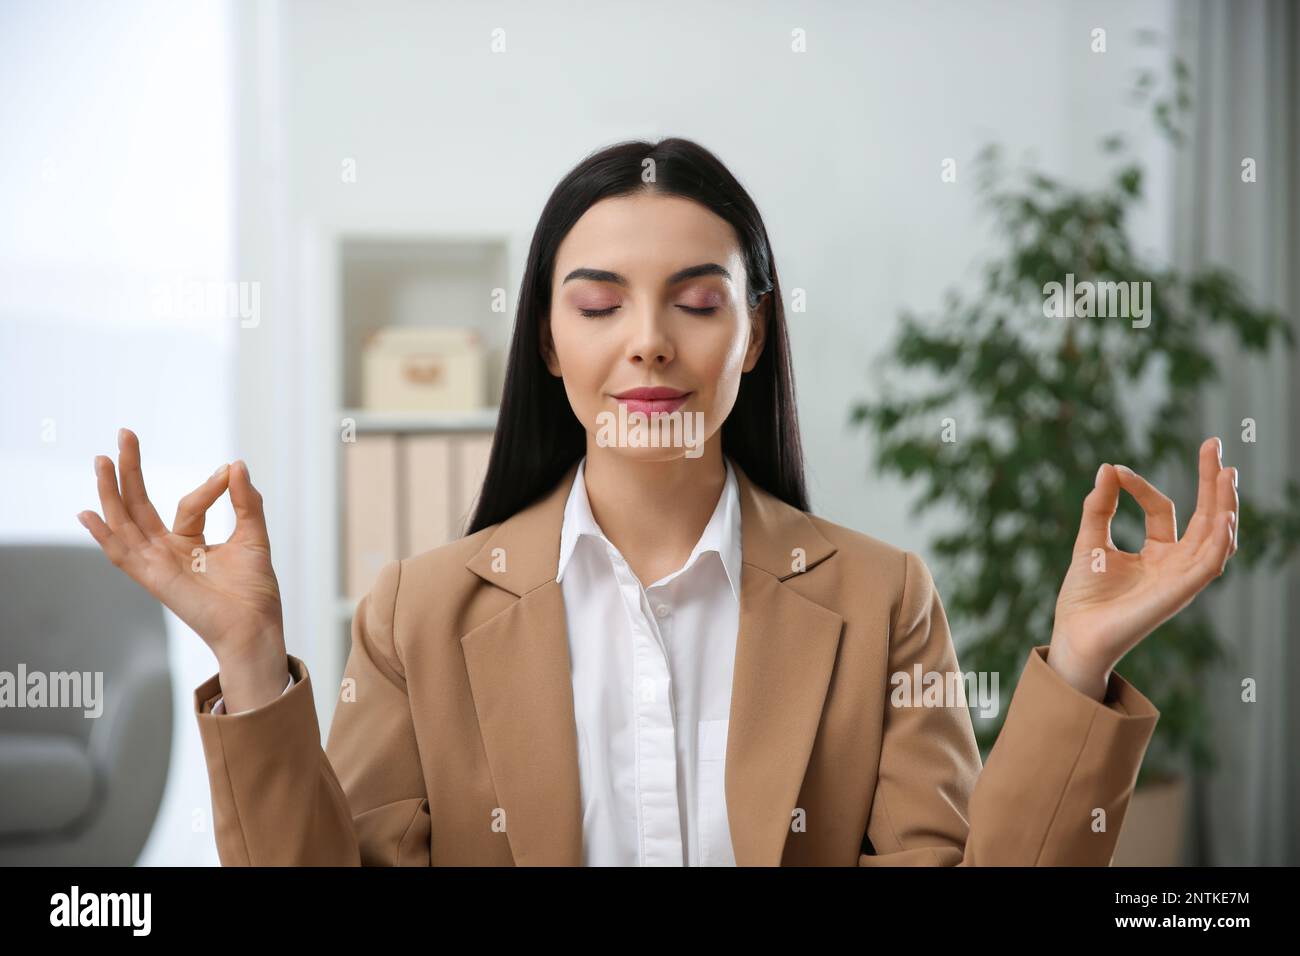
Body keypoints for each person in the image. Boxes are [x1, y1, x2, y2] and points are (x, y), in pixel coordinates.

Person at [77, 138, 1239, 866]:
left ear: (754, 332)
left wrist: (1079, 659)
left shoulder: (884, 596)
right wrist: (248, 655)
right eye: (597, 304)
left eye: (694, 299)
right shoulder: (415, 612)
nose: (647, 342)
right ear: (544, 337)